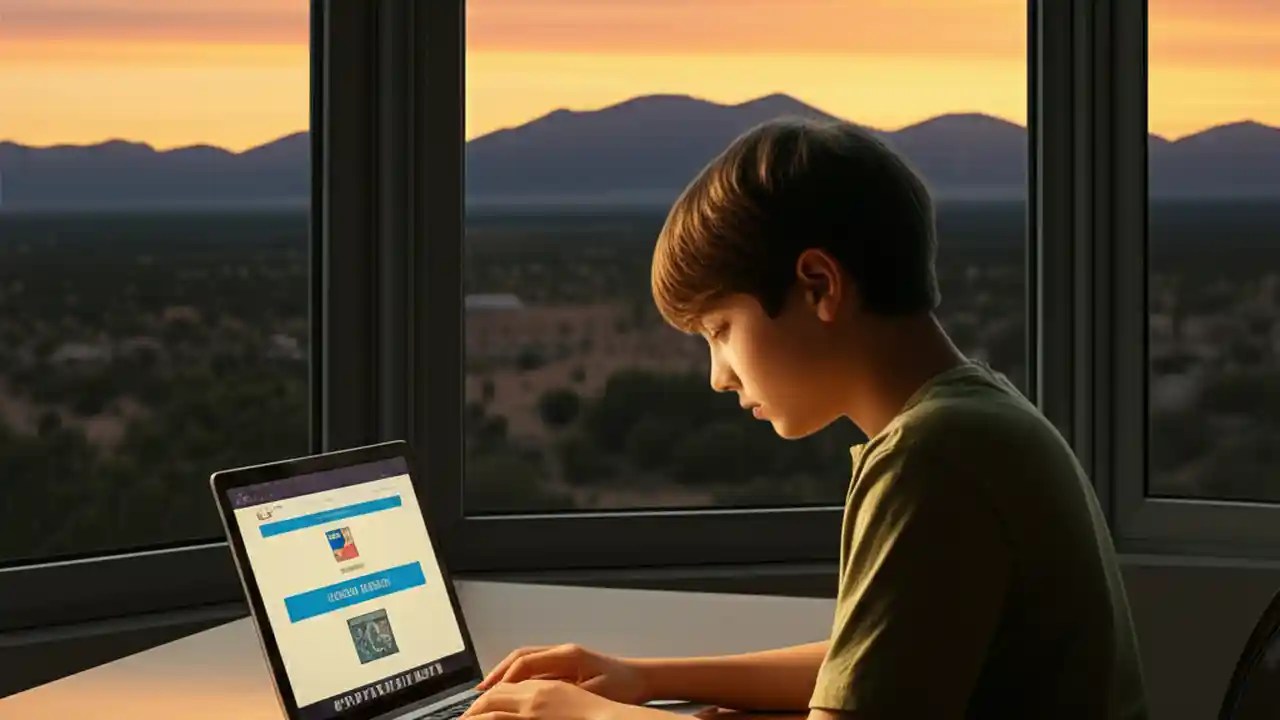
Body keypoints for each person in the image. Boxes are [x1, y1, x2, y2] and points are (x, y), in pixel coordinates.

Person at [460, 118, 1149, 720]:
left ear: (819, 286)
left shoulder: (932, 456)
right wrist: (645, 678)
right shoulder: (977, 416)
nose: (718, 375)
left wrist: (586, 716)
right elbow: (865, 668)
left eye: (720, 329)